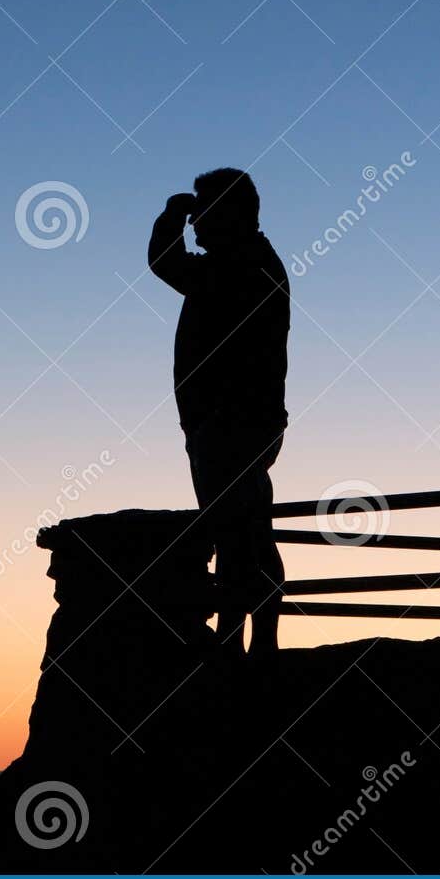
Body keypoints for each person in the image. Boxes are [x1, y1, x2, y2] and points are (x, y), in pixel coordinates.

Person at [147, 168, 290, 658]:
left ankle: (238, 645)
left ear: (227, 215)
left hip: (229, 423)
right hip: (243, 420)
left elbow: (166, 264)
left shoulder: (236, 267)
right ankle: (254, 641)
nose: (197, 225)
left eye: (203, 214)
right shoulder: (249, 261)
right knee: (248, 527)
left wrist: (170, 216)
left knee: (234, 532)